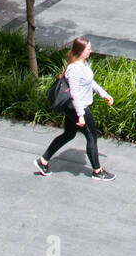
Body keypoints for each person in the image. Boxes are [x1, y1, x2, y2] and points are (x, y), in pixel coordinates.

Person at [35, 36, 116, 181]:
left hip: (75, 108)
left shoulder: (83, 64)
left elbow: (90, 82)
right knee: (91, 137)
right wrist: (81, 115)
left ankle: (43, 161)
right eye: (88, 49)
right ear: (80, 51)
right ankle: (97, 171)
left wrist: (104, 94)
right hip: (77, 108)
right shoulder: (74, 69)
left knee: (68, 134)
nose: (90, 51)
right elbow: (75, 94)